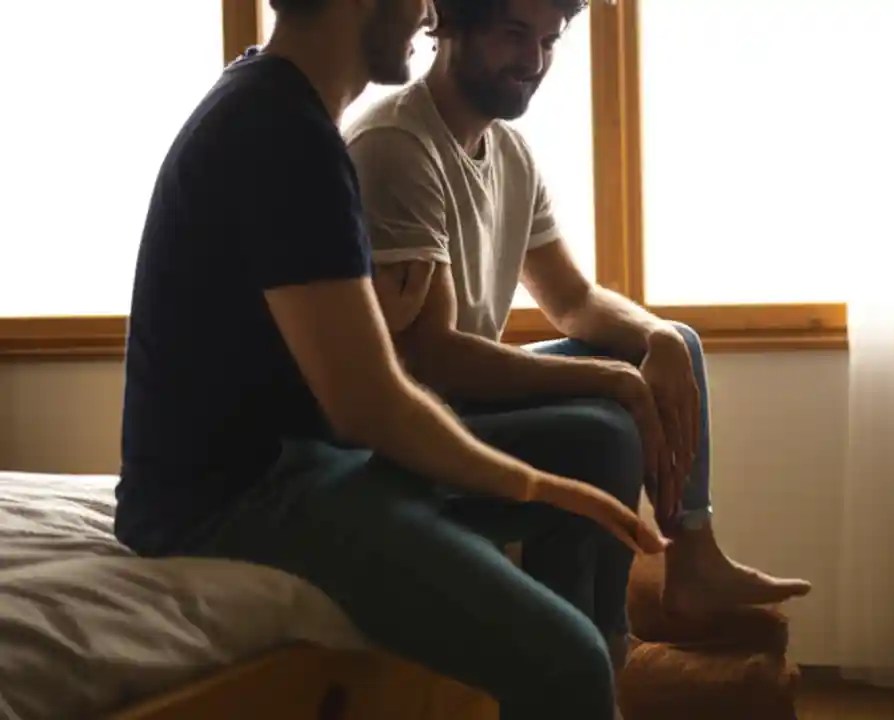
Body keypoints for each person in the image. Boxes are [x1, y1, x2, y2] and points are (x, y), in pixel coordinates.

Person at [114, 0, 667, 717]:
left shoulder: (284, 110)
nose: (427, 13)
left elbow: (323, 355)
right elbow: (370, 401)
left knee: (588, 453)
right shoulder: (278, 131)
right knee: (570, 661)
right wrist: (531, 484)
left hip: (309, 459)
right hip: (233, 501)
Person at [342, 0, 813, 666]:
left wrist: (654, 341)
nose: (533, 62)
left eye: (548, 42)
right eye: (513, 36)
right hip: (413, 420)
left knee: (673, 341)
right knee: (603, 430)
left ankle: (693, 556)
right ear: (450, 25)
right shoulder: (397, 144)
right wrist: (610, 380)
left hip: (464, 392)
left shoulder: (507, 150)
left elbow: (572, 299)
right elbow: (433, 356)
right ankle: (596, 648)